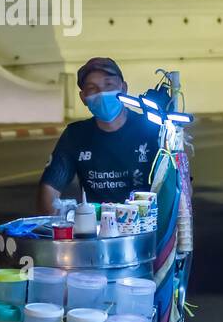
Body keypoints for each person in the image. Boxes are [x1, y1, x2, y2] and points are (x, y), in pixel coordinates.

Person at [36, 57, 154, 213]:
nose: (102, 93)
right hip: (96, 231)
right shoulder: (75, 135)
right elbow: (50, 188)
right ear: (83, 97)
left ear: (124, 89)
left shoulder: (151, 130)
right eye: (92, 88)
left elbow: (178, 188)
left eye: (109, 85)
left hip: (147, 226)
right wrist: (59, 224)